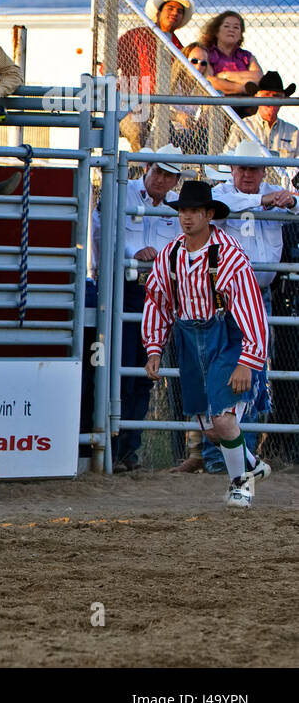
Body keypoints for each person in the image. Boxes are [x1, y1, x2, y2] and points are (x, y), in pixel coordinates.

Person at [143, 180, 270, 507]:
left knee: (223, 418)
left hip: (227, 337)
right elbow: (158, 301)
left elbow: (250, 308)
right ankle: (251, 466)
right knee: (209, 425)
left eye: (194, 211)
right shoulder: (170, 256)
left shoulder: (229, 256)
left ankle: (241, 484)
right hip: (189, 336)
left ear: (209, 214)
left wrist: (247, 360)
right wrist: (154, 347)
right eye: (183, 211)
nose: (187, 218)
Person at [200, 138, 292, 474]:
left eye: (253, 168)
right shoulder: (223, 193)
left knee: (251, 373)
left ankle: (242, 454)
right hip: (225, 295)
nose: (248, 173)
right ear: (232, 170)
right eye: (242, 168)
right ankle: (220, 457)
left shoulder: (274, 193)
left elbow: (292, 204)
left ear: (263, 170)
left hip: (259, 293)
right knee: (221, 368)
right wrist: (269, 199)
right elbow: (227, 204)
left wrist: (289, 198)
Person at [115, 147, 183, 470]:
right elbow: (103, 234)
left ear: (175, 180)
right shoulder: (122, 191)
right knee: (124, 369)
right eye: (158, 171)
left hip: (157, 296)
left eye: (169, 175)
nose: (161, 179)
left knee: (143, 375)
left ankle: (129, 450)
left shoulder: (175, 209)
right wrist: (133, 253)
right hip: (126, 290)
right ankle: (114, 447)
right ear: (148, 168)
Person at [116, 0, 194, 149]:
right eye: (170, 9)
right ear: (158, 12)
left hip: (164, 106)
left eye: (179, 11)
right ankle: (142, 167)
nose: (175, 13)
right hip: (132, 103)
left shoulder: (179, 48)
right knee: (136, 130)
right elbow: (108, 67)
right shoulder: (135, 37)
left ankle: (156, 168)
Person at [227, 72, 299, 157]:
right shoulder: (241, 126)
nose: (271, 100)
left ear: (283, 101)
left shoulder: (294, 132)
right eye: (266, 95)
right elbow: (229, 156)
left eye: (276, 96)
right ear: (256, 96)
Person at [200, 10, 262, 96]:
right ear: (216, 32)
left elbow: (259, 78)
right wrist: (245, 88)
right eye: (226, 26)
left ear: (240, 35)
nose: (231, 30)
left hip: (247, 106)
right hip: (219, 104)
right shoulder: (207, 54)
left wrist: (224, 76)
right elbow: (211, 82)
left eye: (236, 27)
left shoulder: (247, 56)